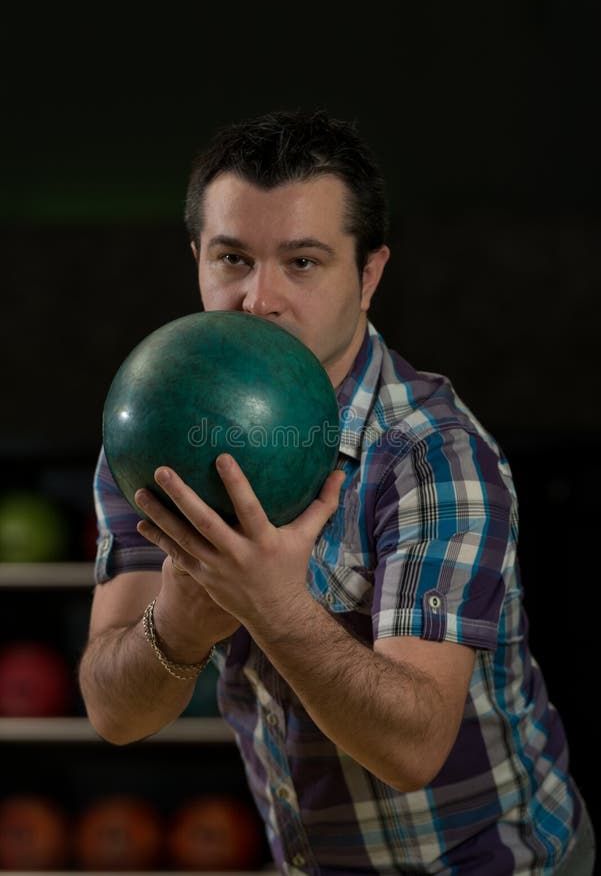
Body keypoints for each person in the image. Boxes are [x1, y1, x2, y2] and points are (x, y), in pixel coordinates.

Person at [78, 110, 595, 875]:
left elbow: (414, 747)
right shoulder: (155, 432)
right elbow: (114, 713)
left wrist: (273, 606)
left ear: (370, 273)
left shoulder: (431, 453)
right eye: (232, 258)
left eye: (303, 262)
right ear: (197, 259)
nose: (258, 299)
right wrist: (179, 629)